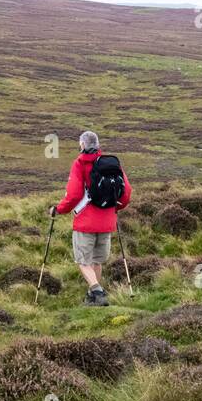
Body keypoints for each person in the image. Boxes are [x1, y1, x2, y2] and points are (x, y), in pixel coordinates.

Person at [48, 130, 132, 306]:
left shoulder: (79, 164)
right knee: (97, 261)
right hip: (107, 221)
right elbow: (126, 193)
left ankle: (97, 291)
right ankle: (92, 297)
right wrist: (115, 209)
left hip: (85, 222)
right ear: (98, 145)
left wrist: (59, 210)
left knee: (83, 261)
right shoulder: (111, 163)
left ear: (82, 145)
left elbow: (73, 194)